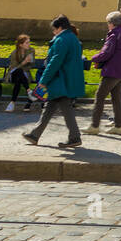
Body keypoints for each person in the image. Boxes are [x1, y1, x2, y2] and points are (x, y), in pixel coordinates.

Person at [22, 15, 85, 148]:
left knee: (63, 106)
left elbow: (54, 62)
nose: (53, 32)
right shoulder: (73, 38)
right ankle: (34, 134)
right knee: (50, 106)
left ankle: (74, 137)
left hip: (60, 79)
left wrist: (43, 80)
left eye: (54, 29)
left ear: (60, 27)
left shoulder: (61, 39)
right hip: (67, 79)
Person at [84, 11, 121, 136]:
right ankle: (119, 126)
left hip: (112, 71)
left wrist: (94, 58)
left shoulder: (114, 35)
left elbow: (106, 53)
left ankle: (94, 126)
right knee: (116, 98)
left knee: (99, 96)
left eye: (108, 23)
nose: (107, 25)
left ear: (111, 23)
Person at [5, 33, 35, 112]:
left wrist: (26, 64)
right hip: (13, 74)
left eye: (29, 42)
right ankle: (29, 91)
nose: (29, 44)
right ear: (21, 45)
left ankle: (12, 103)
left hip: (24, 74)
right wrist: (24, 62)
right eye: (27, 43)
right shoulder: (14, 53)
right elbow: (14, 68)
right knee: (19, 71)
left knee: (19, 79)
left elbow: (30, 65)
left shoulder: (31, 50)